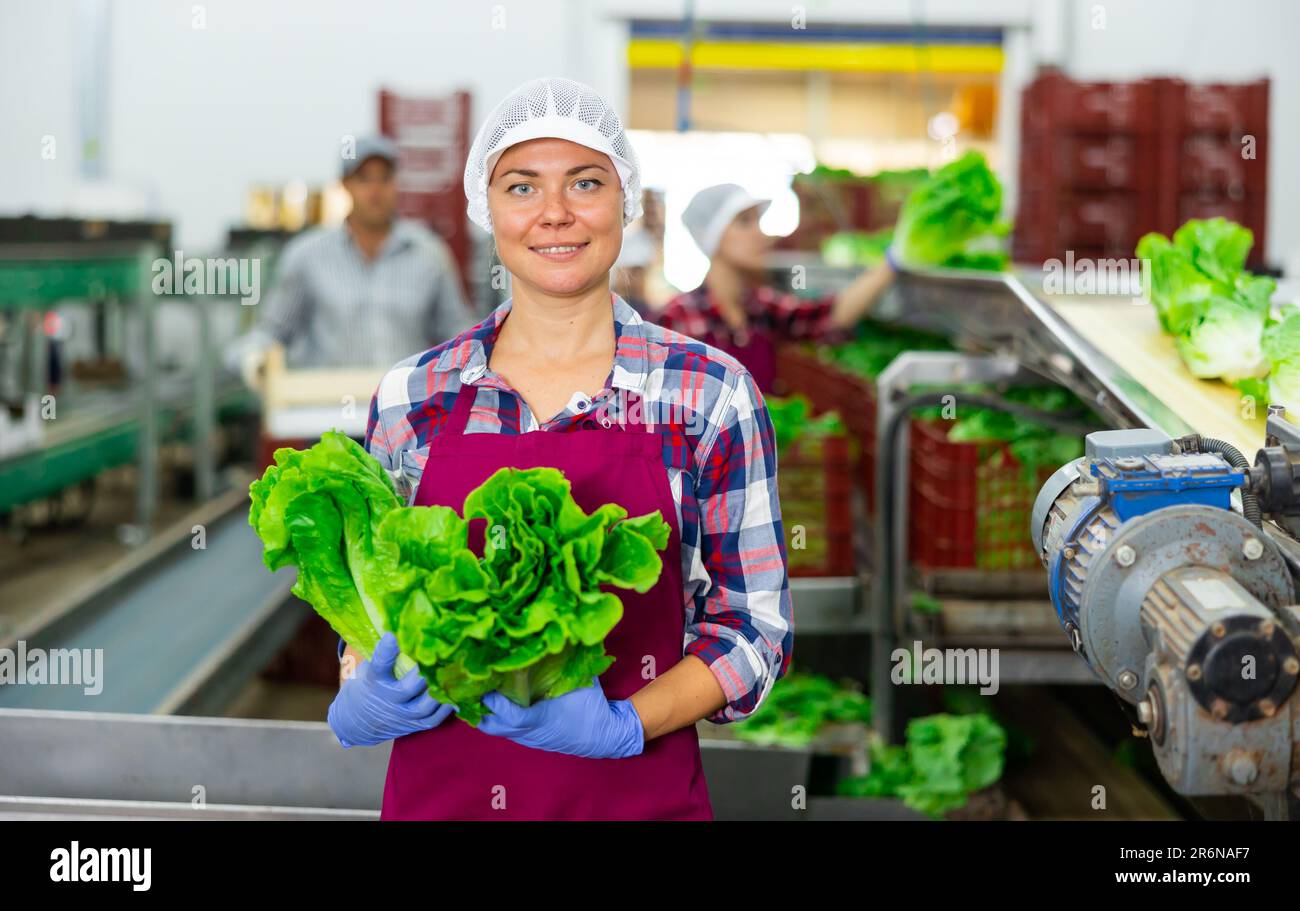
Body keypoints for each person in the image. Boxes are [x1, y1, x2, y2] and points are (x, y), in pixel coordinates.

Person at [327, 77, 792, 821]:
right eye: (522, 186)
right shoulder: (414, 397)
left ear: (625, 201)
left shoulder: (710, 395)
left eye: (585, 182)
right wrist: (358, 683)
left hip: (638, 801)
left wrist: (629, 722)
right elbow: (378, 612)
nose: (555, 213)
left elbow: (754, 630)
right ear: (489, 211)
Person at [227, 135, 472, 386]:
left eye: (384, 178)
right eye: (364, 179)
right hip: (326, 409)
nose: (375, 190)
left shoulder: (428, 254)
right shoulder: (307, 256)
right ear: (345, 185)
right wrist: (253, 356)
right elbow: (273, 331)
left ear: (396, 183)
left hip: (408, 411)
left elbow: (457, 331)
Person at [658, 182, 897, 393]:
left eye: (758, 221)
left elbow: (828, 316)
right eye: (745, 222)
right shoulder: (679, 317)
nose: (761, 234)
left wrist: (891, 263)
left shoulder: (761, 306)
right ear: (712, 235)